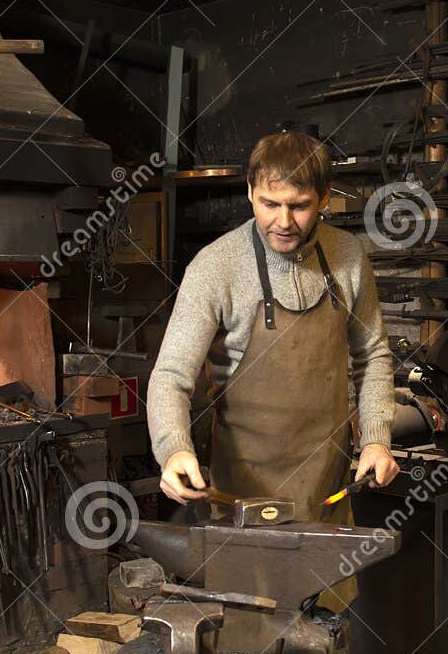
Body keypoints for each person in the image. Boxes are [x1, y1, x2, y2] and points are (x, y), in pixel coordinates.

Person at [146, 130, 398, 530]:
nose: (283, 222)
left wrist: (376, 440)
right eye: (270, 204)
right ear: (250, 191)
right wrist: (174, 450)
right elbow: (171, 375)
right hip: (241, 492)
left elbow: (374, 355)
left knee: (324, 590)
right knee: (251, 592)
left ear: (324, 197)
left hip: (328, 488)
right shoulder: (215, 267)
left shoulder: (349, 257)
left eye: (299, 206)